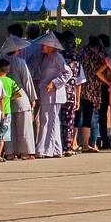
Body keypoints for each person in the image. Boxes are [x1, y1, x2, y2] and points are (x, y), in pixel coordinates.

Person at [30, 31, 70, 159]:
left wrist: (54, 83)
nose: (42, 47)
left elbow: (67, 72)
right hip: (46, 93)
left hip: (54, 93)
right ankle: (55, 149)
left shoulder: (57, 57)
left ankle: (46, 149)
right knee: (49, 121)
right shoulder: (46, 58)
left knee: (49, 121)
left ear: (51, 46)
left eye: (44, 45)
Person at [0, 34, 37, 160]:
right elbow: (27, 81)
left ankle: (10, 152)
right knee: (24, 127)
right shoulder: (20, 62)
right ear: (16, 50)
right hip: (21, 97)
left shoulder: (1, 62)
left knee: (9, 127)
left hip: (6, 98)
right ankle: (26, 152)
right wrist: (32, 98)